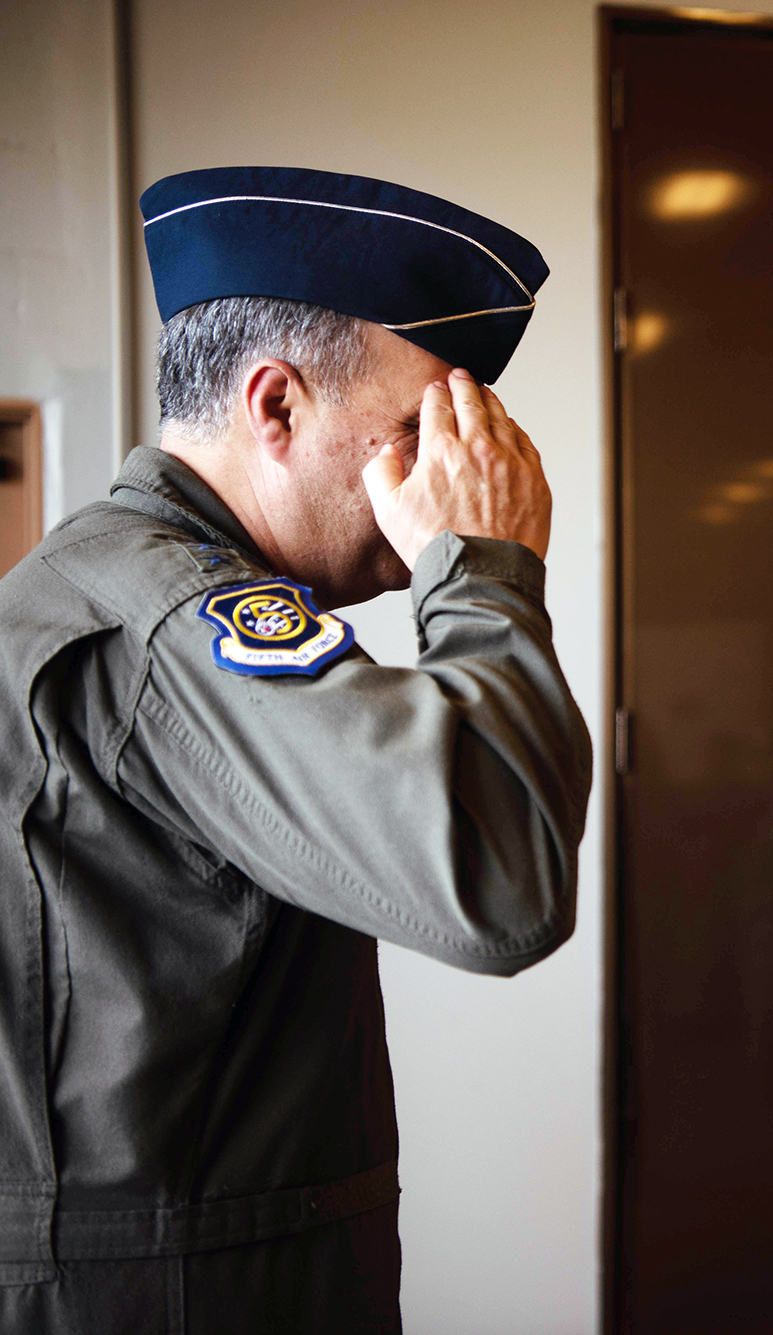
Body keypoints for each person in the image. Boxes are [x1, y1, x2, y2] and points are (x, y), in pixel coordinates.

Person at [0, 166, 592, 1332]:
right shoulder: (178, 619)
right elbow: (499, 881)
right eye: (426, 427)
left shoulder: (122, 582)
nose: (454, 472)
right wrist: (480, 572)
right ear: (275, 406)